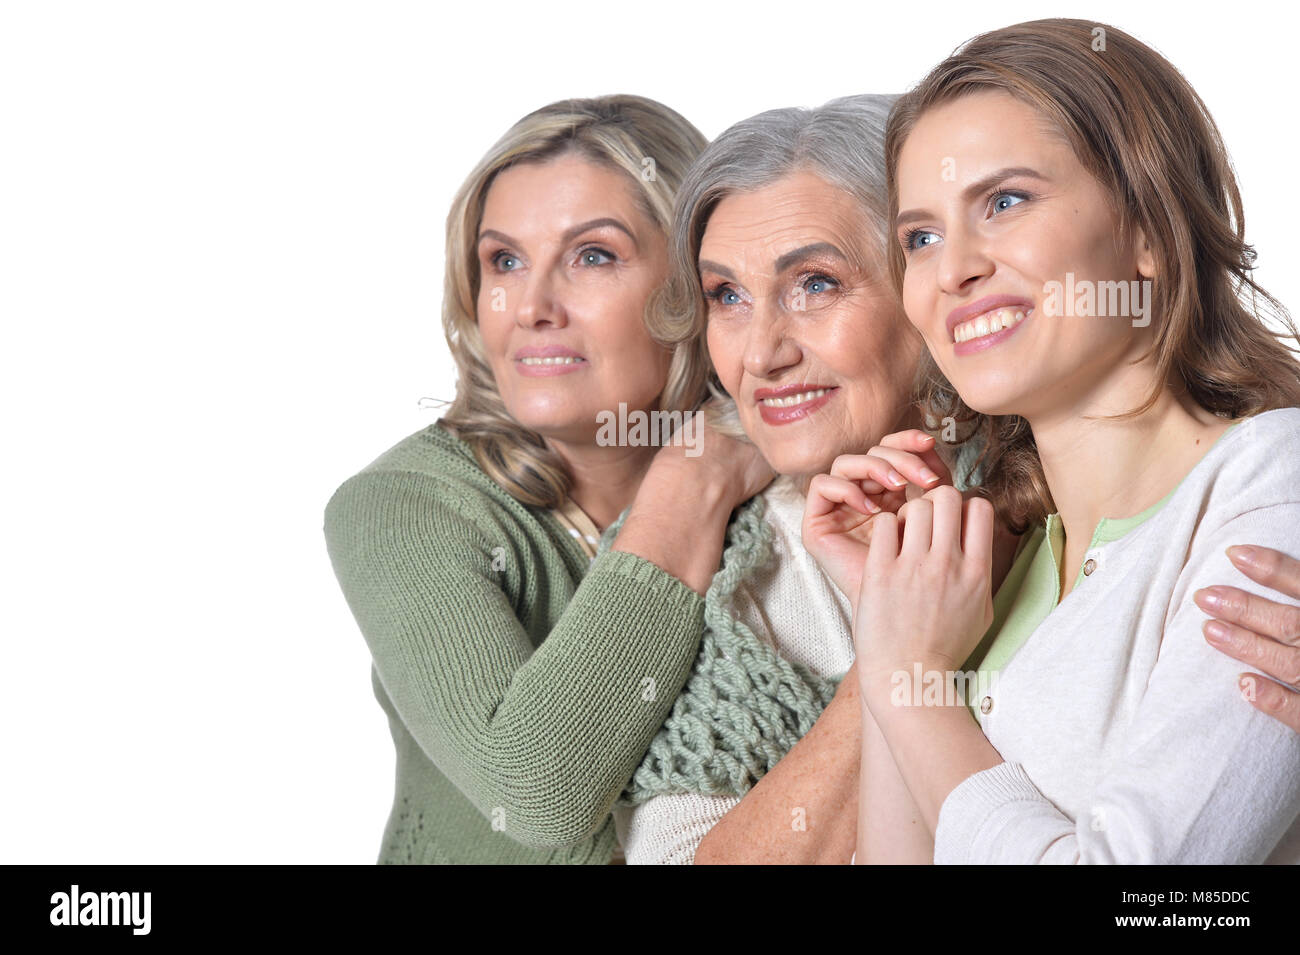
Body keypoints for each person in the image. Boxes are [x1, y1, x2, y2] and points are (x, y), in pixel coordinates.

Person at [804, 18, 1300, 864]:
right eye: (920, 237)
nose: (952, 267)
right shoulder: (1005, 554)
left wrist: (907, 684)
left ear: (1147, 229)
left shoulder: (1266, 486)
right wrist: (890, 633)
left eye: (1005, 201)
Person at [323, 94, 773, 864]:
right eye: (503, 261)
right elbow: (535, 792)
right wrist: (689, 484)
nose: (531, 306)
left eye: (592, 255)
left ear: (694, 281)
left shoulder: (786, 474)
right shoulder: (404, 506)